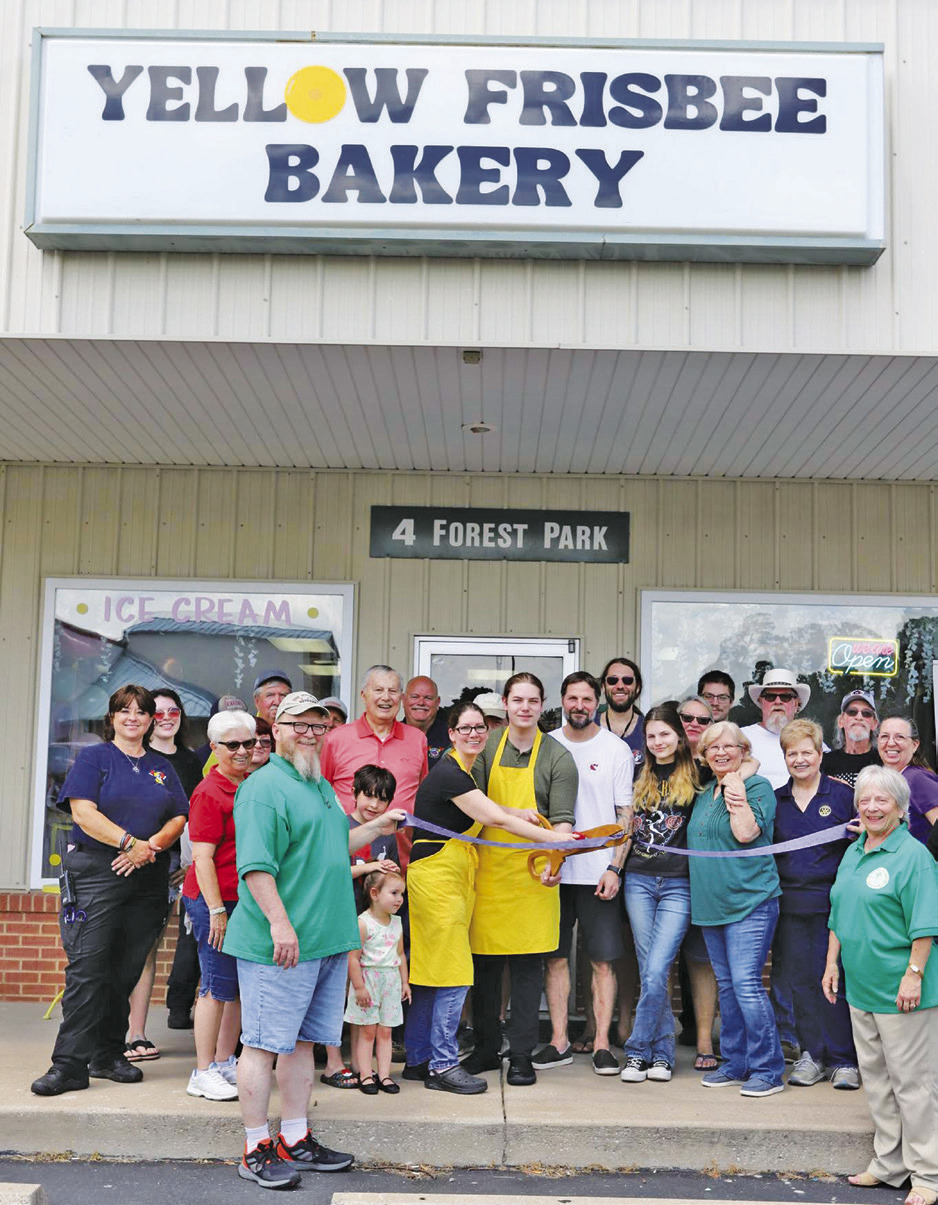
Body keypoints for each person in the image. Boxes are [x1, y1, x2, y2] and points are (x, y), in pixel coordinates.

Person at [222, 690, 407, 1190]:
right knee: (261, 1046)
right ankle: (256, 1145)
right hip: (280, 946)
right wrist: (281, 925)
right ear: (275, 729)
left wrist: (374, 827)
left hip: (325, 942)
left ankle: (295, 1138)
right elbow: (256, 867)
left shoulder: (320, 785)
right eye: (297, 724)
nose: (308, 733)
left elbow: (332, 846)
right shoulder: (264, 788)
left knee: (303, 1044)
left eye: (317, 726)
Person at [31, 685, 188, 1097]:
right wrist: (128, 844)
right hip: (98, 871)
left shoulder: (160, 766)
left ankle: (107, 1054)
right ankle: (68, 1065)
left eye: (141, 711)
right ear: (112, 717)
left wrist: (149, 848)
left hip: (147, 874)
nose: (132, 717)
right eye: (124, 710)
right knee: (89, 968)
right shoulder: (95, 758)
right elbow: (84, 812)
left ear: (153, 720)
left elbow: (178, 817)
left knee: (126, 968)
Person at [405, 701, 567, 1093]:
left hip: (445, 877)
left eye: (480, 727)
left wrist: (519, 810)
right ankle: (443, 1066)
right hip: (439, 881)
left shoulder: (460, 774)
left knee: (430, 972)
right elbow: (494, 819)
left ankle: (419, 1058)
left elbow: (485, 808)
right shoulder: (449, 773)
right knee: (454, 973)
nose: (475, 733)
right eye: (467, 728)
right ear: (452, 733)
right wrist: (557, 839)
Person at [825, 765, 938, 1205]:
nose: (872, 807)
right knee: (876, 1080)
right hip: (862, 987)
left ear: (900, 807)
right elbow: (839, 911)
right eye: (865, 800)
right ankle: (889, 1166)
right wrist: (832, 962)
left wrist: (914, 975)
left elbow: (926, 925)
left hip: (902, 991)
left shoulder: (914, 857)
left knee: (914, 1084)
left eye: (882, 800)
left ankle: (927, 1174)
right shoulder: (855, 851)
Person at [465, 673, 578, 1087]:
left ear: (542, 705)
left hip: (535, 876)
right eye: (517, 700)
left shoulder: (557, 757)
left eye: (533, 701)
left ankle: (521, 1056)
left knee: (529, 971)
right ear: (506, 705)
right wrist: (508, 811)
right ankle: (485, 1048)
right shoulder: (486, 747)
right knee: (487, 970)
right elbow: (468, 802)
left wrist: (556, 862)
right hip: (489, 872)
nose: (525, 708)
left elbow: (563, 820)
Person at [536, 672, 633, 1077]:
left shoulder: (616, 749)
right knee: (554, 958)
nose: (579, 705)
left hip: (597, 872)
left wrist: (615, 867)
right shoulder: (545, 745)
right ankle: (558, 1041)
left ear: (598, 702)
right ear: (562, 700)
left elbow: (625, 817)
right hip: (552, 871)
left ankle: (601, 1045)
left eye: (586, 699)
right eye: (572, 698)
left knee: (603, 962)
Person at [688, 720, 786, 1097]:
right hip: (713, 905)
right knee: (727, 987)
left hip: (751, 901)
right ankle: (736, 1062)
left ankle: (767, 1069)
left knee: (746, 986)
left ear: (744, 751)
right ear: (704, 755)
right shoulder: (704, 792)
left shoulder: (757, 787)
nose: (722, 753)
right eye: (713, 748)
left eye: (731, 747)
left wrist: (737, 786)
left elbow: (746, 832)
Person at [773, 719, 859, 1090]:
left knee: (834, 980)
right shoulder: (777, 800)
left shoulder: (843, 796)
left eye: (807, 752)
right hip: (789, 906)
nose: (800, 759)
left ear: (820, 753)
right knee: (800, 982)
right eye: (793, 753)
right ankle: (812, 1055)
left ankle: (844, 1060)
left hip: (834, 907)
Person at [181, 709, 258, 1102]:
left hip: (241, 900)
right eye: (233, 745)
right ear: (214, 748)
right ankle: (203, 1070)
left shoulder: (247, 784)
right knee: (213, 988)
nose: (243, 750)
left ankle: (225, 1060)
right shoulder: (210, 792)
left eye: (250, 742)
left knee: (235, 989)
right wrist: (216, 910)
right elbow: (203, 857)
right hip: (215, 900)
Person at [620, 704, 697, 1084]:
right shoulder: (639, 773)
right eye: (651, 736)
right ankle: (661, 1054)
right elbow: (626, 827)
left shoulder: (697, 775)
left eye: (664, 734)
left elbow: (742, 766)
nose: (657, 742)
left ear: (679, 736)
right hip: (638, 880)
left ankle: (638, 1051)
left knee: (655, 969)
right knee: (650, 969)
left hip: (678, 884)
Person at [125, 688, 203, 1062]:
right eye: (157, 712)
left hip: (178, 866)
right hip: (137, 859)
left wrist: (188, 863)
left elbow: (196, 817)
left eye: (174, 711)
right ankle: (127, 1032)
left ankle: (138, 1033)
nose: (167, 717)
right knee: (136, 945)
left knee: (166, 945)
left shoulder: (192, 761)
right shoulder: (135, 756)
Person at [320, 765, 400, 1092]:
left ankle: (361, 1064)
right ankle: (332, 1060)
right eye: (368, 795)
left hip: (372, 930)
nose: (374, 805)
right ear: (354, 792)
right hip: (340, 919)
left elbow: (390, 880)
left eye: (383, 799)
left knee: (361, 999)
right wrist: (370, 867)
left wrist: (389, 873)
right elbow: (332, 867)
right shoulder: (342, 826)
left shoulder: (387, 835)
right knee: (336, 992)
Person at [321, 665, 428, 870]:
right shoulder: (336, 739)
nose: (386, 697)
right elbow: (321, 796)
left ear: (402, 697)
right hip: (344, 861)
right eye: (378, 690)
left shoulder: (417, 740)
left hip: (399, 864)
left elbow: (421, 796)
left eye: (393, 691)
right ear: (363, 695)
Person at [674, 695, 720, 1069]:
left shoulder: (714, 768)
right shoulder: (657, 761)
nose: (692, 724)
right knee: (654, 962)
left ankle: (705, 1039)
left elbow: (746, 764)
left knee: (701, 960)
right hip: (656, 877)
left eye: (701, 720)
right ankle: (656, 1038)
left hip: (701, 879)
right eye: (685, 718)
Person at [345, 869, 411, 1095]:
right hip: (368, 982)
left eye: (401, 893)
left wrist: (405, 982)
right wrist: (359, 987)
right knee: (367, 1032)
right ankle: (365, 1074)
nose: (399, 899)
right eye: (394, 893)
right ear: (374, 893)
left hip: (390, 981)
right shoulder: (363, 923)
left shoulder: (397, 922)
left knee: (386, 1032)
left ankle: (384, 1074)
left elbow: (400, 954)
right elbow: (353, 958)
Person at [741, 668, 824, 791]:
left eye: (785, 697)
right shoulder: (740, 737)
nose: (778, 701)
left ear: (796, 704)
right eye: (770, 697)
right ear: (761, 702)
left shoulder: (812, 740)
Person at [876, 716, 938, 845]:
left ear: (915, 745)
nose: (891, 743)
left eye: (900, 737)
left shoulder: (916, 778)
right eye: (884, 736)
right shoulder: (885, 781)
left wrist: (925, 859)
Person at [822, 691, 880, 788]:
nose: (859, 717)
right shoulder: (824, 762)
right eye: (852, 712)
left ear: (874, 723)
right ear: (841, 721)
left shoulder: (883, 761)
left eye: (866, 713)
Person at [597, 656, 645, 770]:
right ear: (603, 686)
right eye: (612, 680)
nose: (620, 686)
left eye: (627, 680)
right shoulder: (588, 728)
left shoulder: (649, 730)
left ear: (637, 687)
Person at [403, 675, 452, 769]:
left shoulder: (451, 737)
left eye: (428, 698)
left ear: (437, 703)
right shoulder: (391, 735)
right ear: (404, 701)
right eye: (414, 697)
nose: (421, 702)